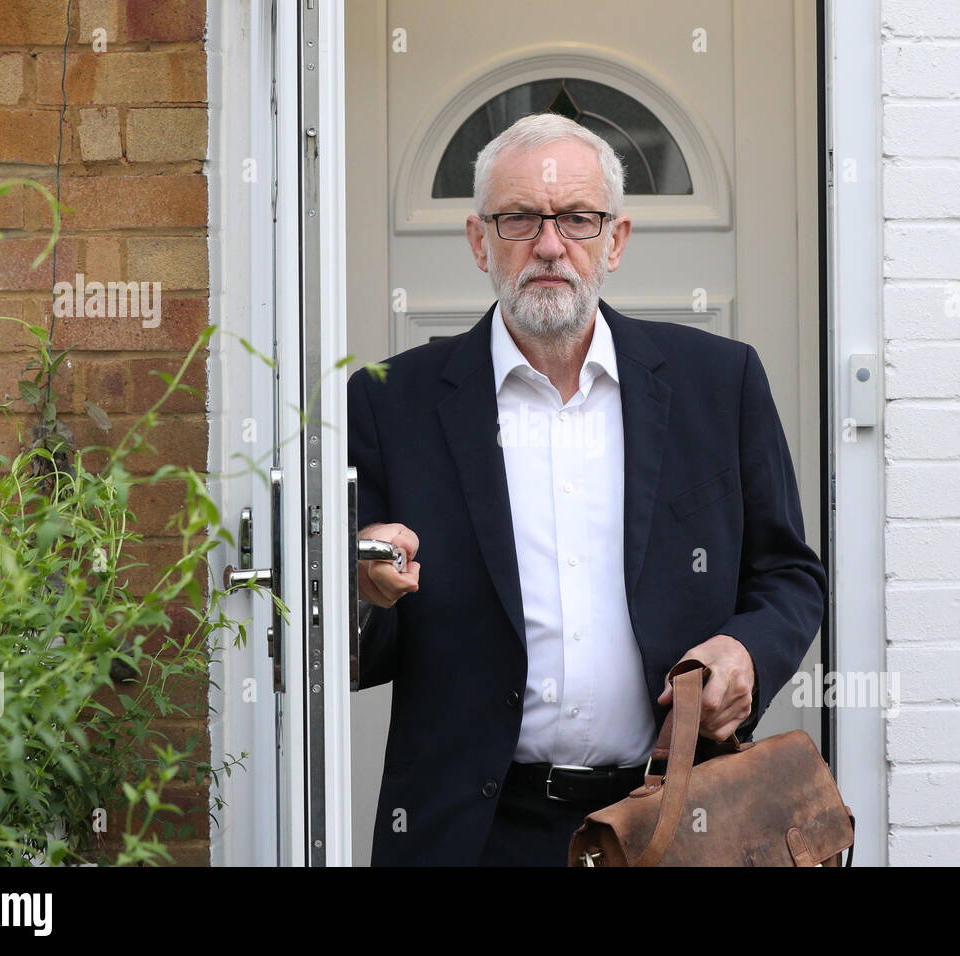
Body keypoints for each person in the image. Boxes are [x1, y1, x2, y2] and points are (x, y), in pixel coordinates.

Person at [348, 112, 826, 866]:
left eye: (577, 218)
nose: (548, 245)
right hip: (473, 834)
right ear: (480, 241)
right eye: (518, 220)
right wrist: (364, 589)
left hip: (672, 819)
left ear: (616, 239)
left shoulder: (718, 382)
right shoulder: (390, 402)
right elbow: (342, 633)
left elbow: (789, 577)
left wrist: (746, 653)